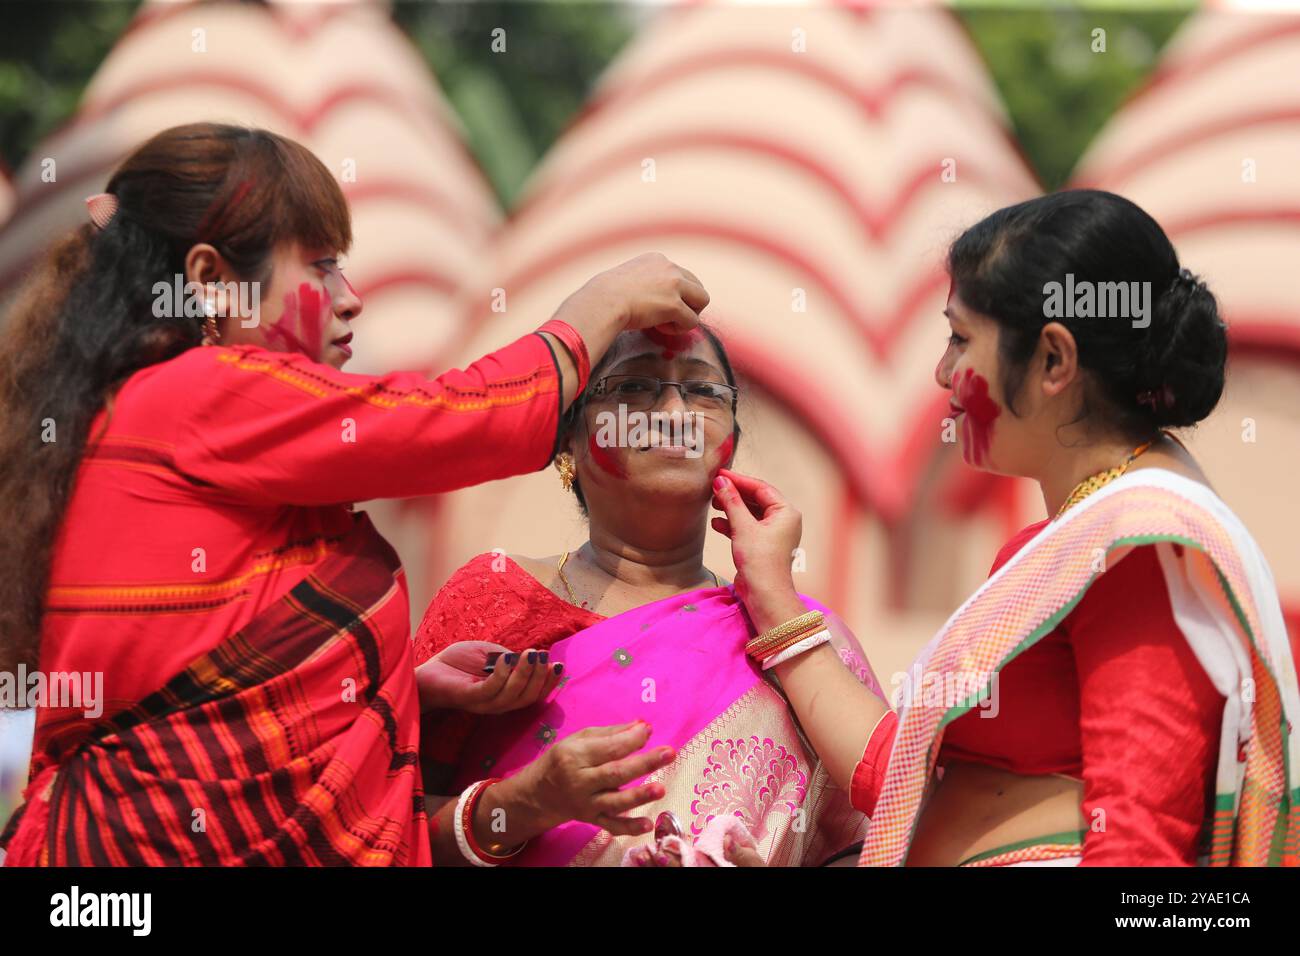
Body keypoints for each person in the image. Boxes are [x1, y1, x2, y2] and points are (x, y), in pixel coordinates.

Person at [0, 122, 709, 866]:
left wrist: (393, 687)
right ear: (211, 281)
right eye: (322, 266)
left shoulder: (151, 412)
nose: (351, 299)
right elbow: (448, 419)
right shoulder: (200, 395)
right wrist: (600, 308)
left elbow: (201, 645)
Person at [706, 189, 1300, 867]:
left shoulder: (1139, 546)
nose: (943, 372)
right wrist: (773, 595)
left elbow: (1139, 844)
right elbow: (897, 778)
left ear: (1054, 361)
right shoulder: (1065, 544)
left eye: (961, 338)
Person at [412, 323, 883, 866]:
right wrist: (521, 804)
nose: (674, 413)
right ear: (569, 434)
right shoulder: (498, 596)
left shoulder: (795, 637)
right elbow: (375, 826)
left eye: (704, 391)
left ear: (731, 439)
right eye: (634, 388)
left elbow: (884, 838)